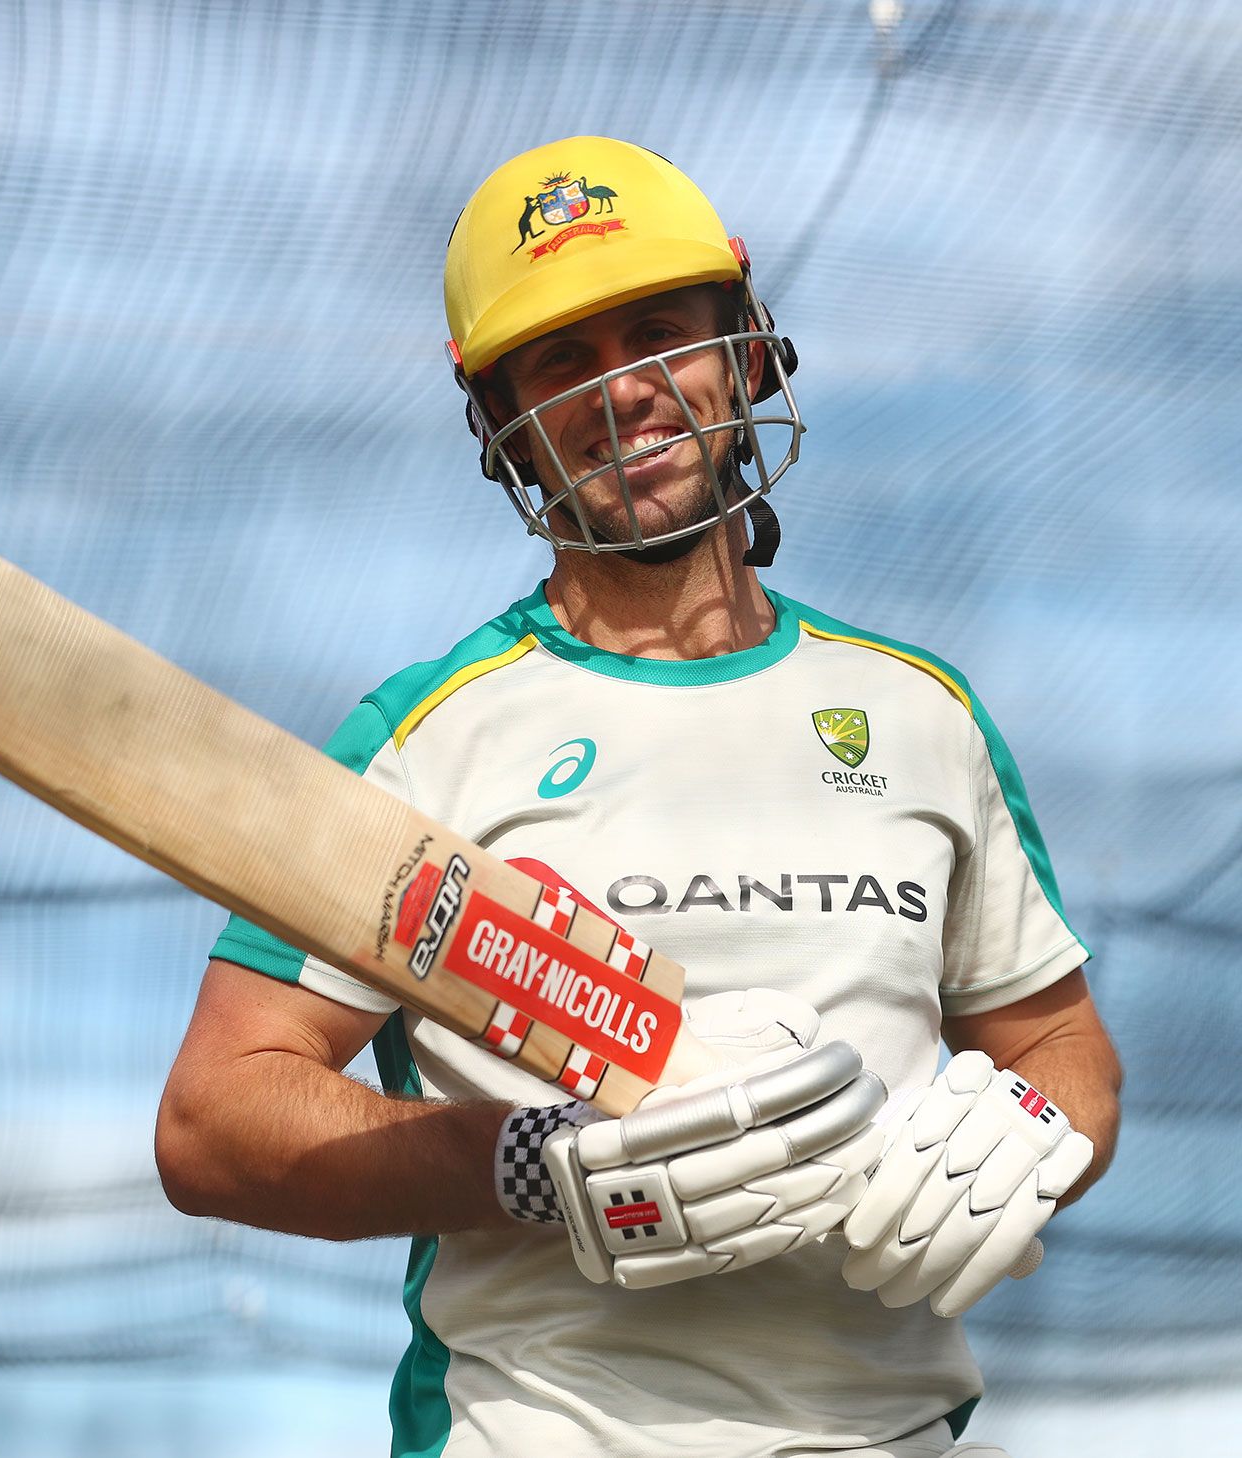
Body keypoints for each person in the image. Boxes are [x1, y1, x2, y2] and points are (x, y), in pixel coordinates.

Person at [155, 136, 1122, 1458]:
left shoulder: (922, 714)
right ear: (505, 425)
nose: (623, 390)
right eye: (561, 360)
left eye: (660, 330)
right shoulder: (424, 738)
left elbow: (1064, 1050)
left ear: (744, 349)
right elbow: (215, 1117)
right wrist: (521, 1160)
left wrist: (1027, 1126)